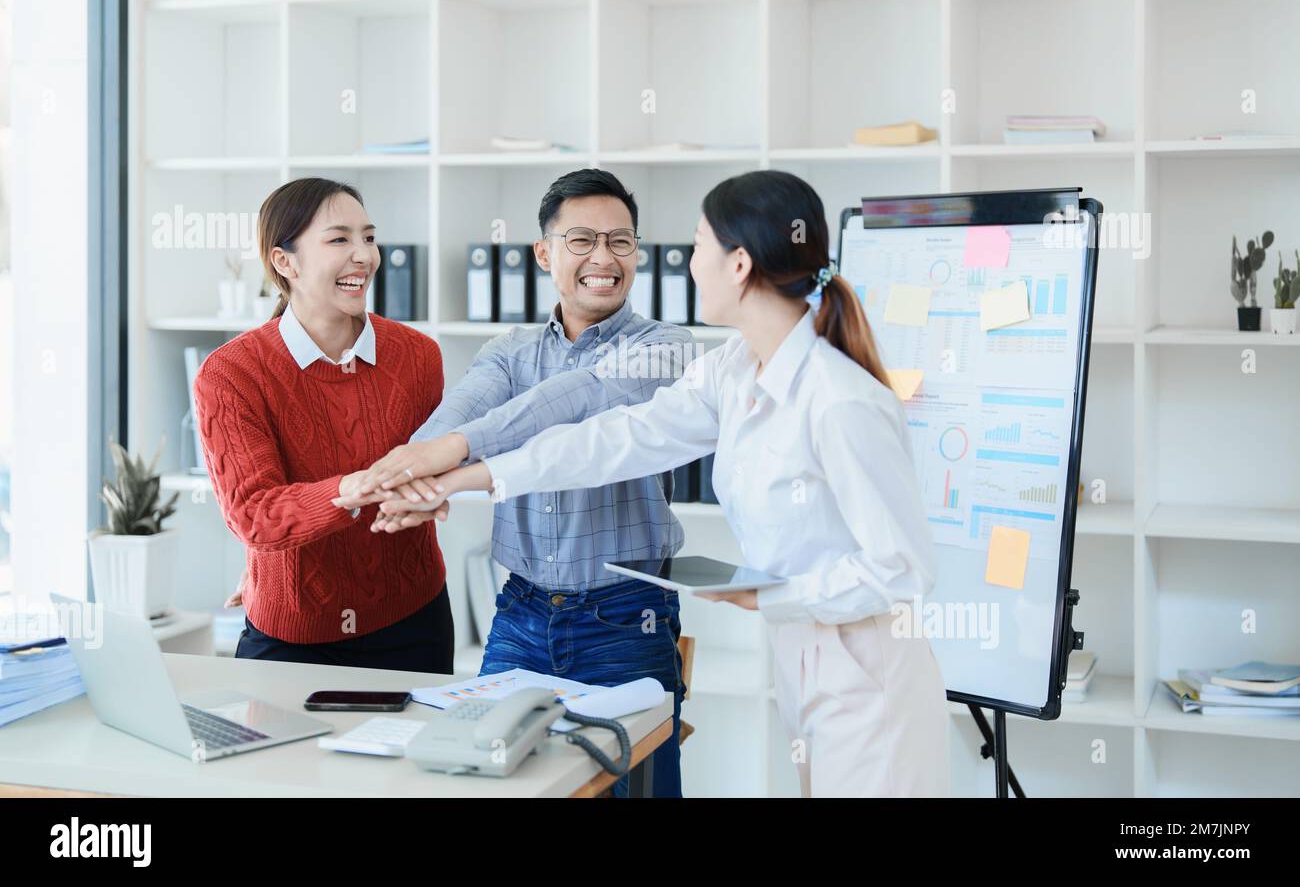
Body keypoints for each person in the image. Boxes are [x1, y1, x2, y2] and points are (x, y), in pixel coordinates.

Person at [370, 169, 951, 797]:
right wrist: (469, 476)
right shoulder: (733, 369)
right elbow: (614, 440)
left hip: (868, 672)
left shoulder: (840, 399)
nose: (687, 264)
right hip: (803, 656)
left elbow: (901, 567)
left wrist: (768, 595)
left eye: (699, 245)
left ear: (738, 264)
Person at [335, 169, 695, 796]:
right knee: (480, 780)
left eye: (621, 241)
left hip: (625, 622)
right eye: (581, 240)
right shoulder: (508, 351)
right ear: (544, 253)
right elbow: (461, 412)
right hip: (521, 616)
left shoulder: (667, 347)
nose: (604, 259)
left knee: (634, 792)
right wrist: (416, 477)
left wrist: (446, 459)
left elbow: (577, 400)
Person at [193, 178, 455, 673]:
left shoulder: (419, 357)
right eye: (340, 240)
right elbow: (253, 513)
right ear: (284, 262)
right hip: (292, 634)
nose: (364, 255)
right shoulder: (231, 374)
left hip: (414, 621)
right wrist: (355, 489)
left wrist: (434, 490)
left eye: (369, 237)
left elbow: (433, 470)